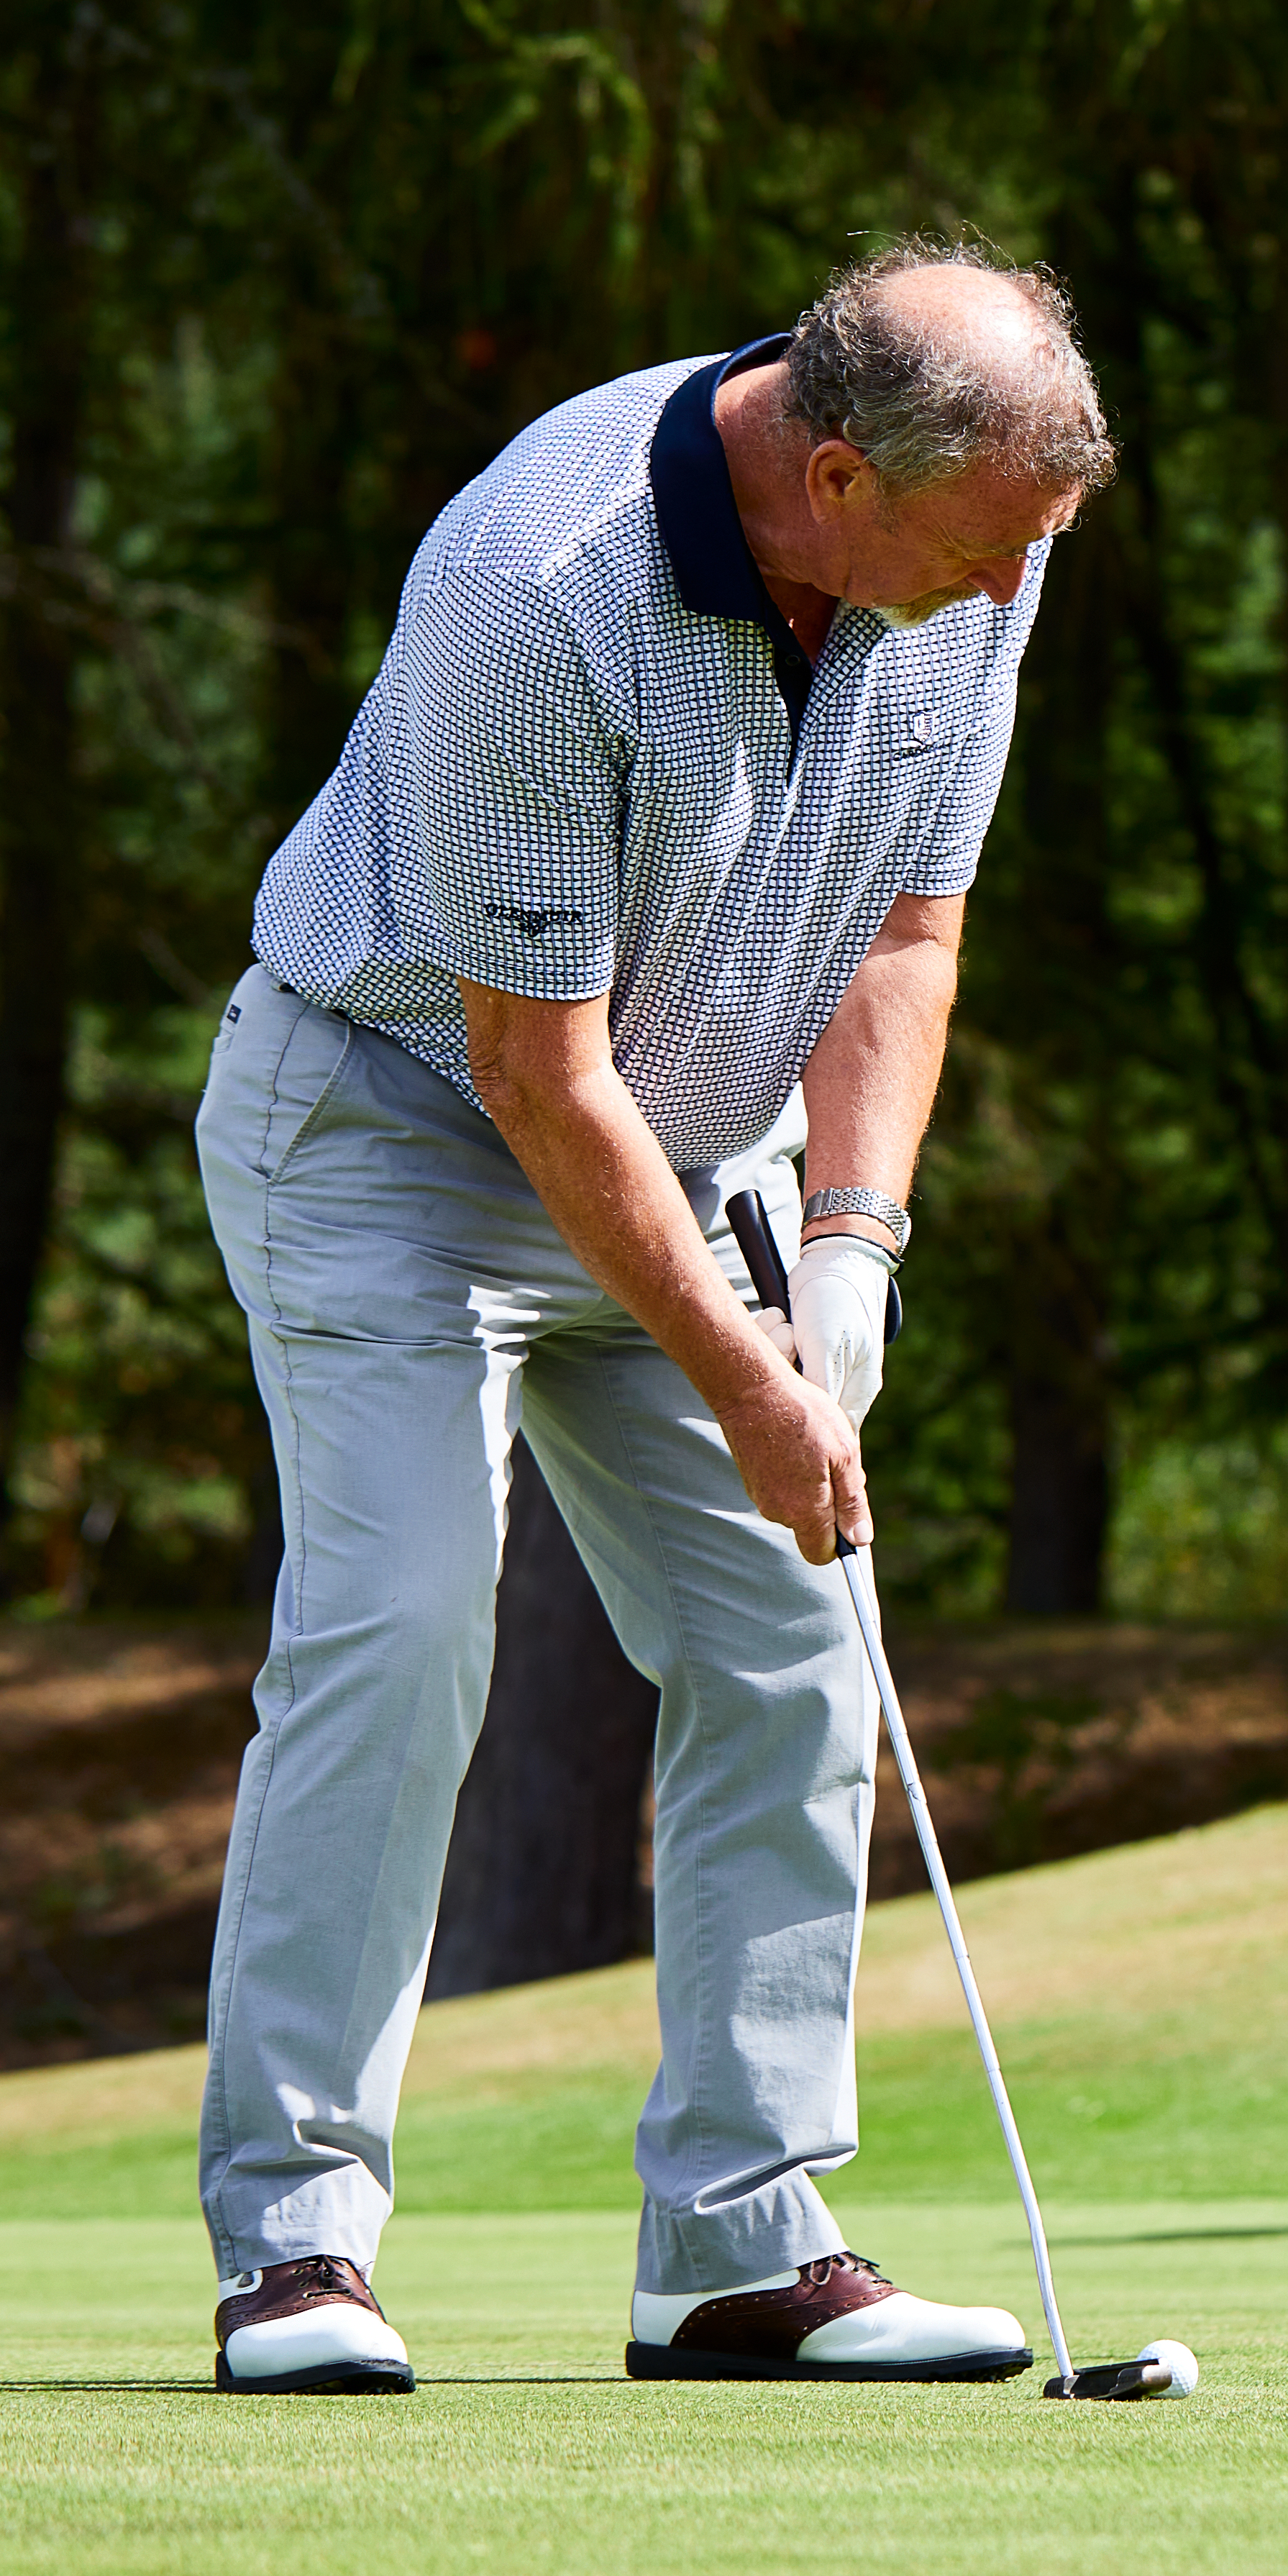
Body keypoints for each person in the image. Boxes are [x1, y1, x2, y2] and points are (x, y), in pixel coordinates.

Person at [188, 242, 1109, 2390]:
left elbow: (905, 930)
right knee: (407, 1625)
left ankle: (740, 2245)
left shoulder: (988, 537)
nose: (1008, 602)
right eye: (980, 555)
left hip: (702, 1150)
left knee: (795, 1649)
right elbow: (538, 1072)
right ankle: (297, 2252)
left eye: (1032, 556)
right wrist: (747, 1377)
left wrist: (857, 1253)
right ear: (840, 474)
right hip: (399, 1127)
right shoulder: (537, 584)